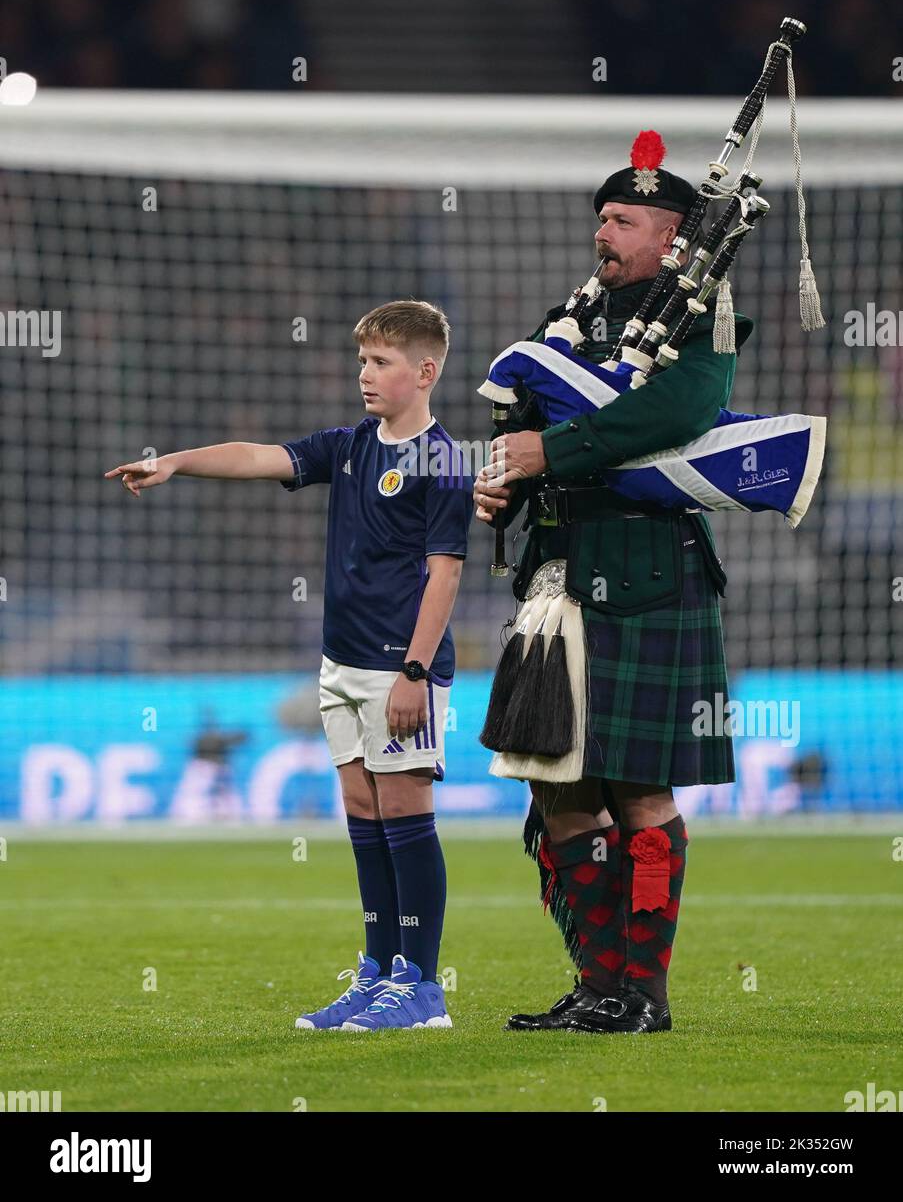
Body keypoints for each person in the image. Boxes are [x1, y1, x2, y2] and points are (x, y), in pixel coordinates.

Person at [105, 299, 473, 1032]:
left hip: (397, 667)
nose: (364, 374)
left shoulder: (443, 460)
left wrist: (414, 672)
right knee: (364, 816)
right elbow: (256, 455)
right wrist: (176, 461)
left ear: (425, 371)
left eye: (380, 362)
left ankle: (422, 986)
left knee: (404, 815)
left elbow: (445, 573)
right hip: (339, 662)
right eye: (362, 360)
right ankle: (376, 971)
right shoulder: (349, 444)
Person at [474, 139, 753, 1034]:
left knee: (637, 788)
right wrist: (501, 483)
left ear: (673, 238)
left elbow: (678, 413)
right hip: (555, 575)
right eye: (601, 216)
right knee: (555, 788)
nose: (603, 231)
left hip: (646, 572)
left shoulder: (700, 315)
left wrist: (548, 450)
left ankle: (643, 994)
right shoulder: (567, 320)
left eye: (623, 220)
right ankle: (598, 985)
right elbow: (516, 423)